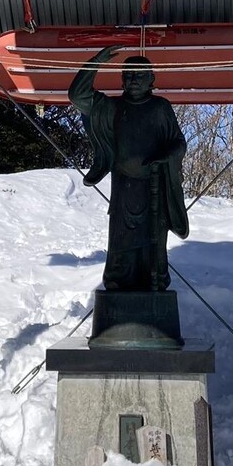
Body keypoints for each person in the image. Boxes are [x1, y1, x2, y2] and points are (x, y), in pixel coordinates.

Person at [69, 46, 188, 292]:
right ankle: (118, 280)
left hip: (155, 185)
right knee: (121, 241)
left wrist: (165, 157)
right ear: (121, 79)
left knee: (154, 244)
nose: (134, 80)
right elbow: (77, 96)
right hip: (124, 186)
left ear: (151, 79)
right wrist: (96, 61)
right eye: (129, 75)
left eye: (140, 75)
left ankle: (155, 281)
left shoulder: (160, 107)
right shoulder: (112, 107)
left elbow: (178, 142)